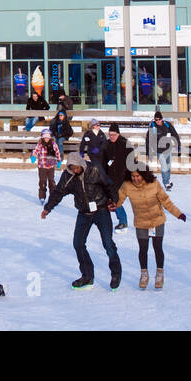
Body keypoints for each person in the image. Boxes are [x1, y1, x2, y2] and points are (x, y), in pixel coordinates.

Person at [42, 152, 121, 291]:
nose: (75, 170)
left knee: (108, 244)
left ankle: (115, 274)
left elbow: (109, 186)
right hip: (84, 212)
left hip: (101, 210)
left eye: (77, 167)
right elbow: (58, 192)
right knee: (78, 244)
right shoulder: (68, 176)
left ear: (81, 164)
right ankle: (87, 276)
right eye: (72, 168)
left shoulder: (95, 169)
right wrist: (48, 208)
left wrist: (113, 200)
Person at [113, 163, 185, 289]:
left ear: (144, 175)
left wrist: (178, 214)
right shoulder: (127, 186)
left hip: (157, 221)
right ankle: (144, 273)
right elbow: (119, 200)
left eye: (138, 176)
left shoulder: (154, 184)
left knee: (158, 248)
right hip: (141, 222)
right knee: (143, 249)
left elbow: (165, 201)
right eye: (133, 176)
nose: (135, 178)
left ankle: (159, 273)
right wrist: (112, 205)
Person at [101, 124, 133, 232]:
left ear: (118, 134)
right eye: (110, 135)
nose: (112, 137)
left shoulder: (125, 144)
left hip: (122, 177)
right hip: (110, 177)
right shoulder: (106, 144)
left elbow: (132, 161)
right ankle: (111, 220)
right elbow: (103, 160)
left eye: (114, 135)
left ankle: (123, 222)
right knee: (109, 199)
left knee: (117, 200)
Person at [145, 110, 181, 190]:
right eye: (156, 120)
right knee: (164, 167)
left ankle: (167, 180)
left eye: (159, 119)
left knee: (168, 167)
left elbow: (175, 134)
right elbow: (148, 139)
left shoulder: (167, 125)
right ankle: (166, 183)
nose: (157, 121)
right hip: (159, 150)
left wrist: (178, 144)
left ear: (162, 119)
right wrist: (148, 151)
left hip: (168, 149)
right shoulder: (153, 126)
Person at [32, 128, 61, 203]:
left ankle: (53, 197)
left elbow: (57, 152)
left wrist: (59, 161)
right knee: (42, 181)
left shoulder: (54, 145)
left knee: (51, 182)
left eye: (48, 137)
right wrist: (33, 156)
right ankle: (42, 197)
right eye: (45, 137)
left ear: (50, 137)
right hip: (42, 167)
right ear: (42, 137)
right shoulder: (40, 145)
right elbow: (35, 150)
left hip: (51, 166)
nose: (46, 139)